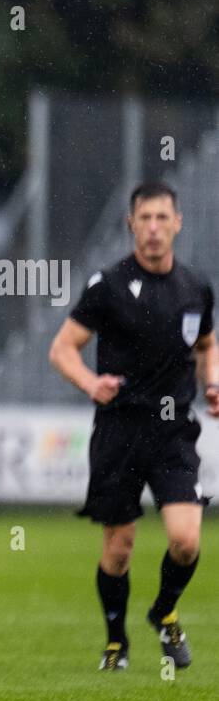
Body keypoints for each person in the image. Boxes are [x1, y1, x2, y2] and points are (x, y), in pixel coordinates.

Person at [49, 180, 217, 672]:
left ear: (177, 223)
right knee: (118, 549)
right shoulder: (108, 286)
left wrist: (213, 383)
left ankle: (164, 609)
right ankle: (116, 643)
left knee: (186, 540)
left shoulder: (196, 287)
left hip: (173, 432)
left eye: (163, 218)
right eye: (144, 219)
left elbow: (207, 345)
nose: (153, 229)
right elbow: (62, 349)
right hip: (119, 431)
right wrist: (89, 381)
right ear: (131, 224)